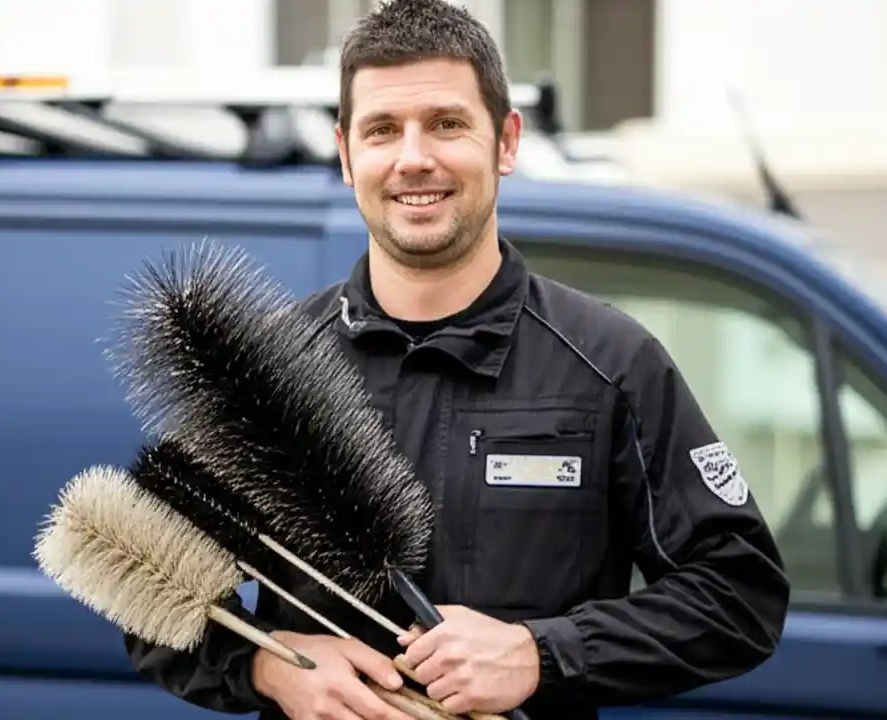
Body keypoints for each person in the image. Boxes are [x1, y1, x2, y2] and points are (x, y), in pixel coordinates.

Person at [124, 0, 790, 718]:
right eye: (383, 130)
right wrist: (270, 667)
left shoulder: (611, 365)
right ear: (347, 155)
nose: (415, 158)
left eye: (447, 123)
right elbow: (143, 585)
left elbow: (738, 592)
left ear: (505, 142)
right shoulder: (264, 377)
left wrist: (542, 652)